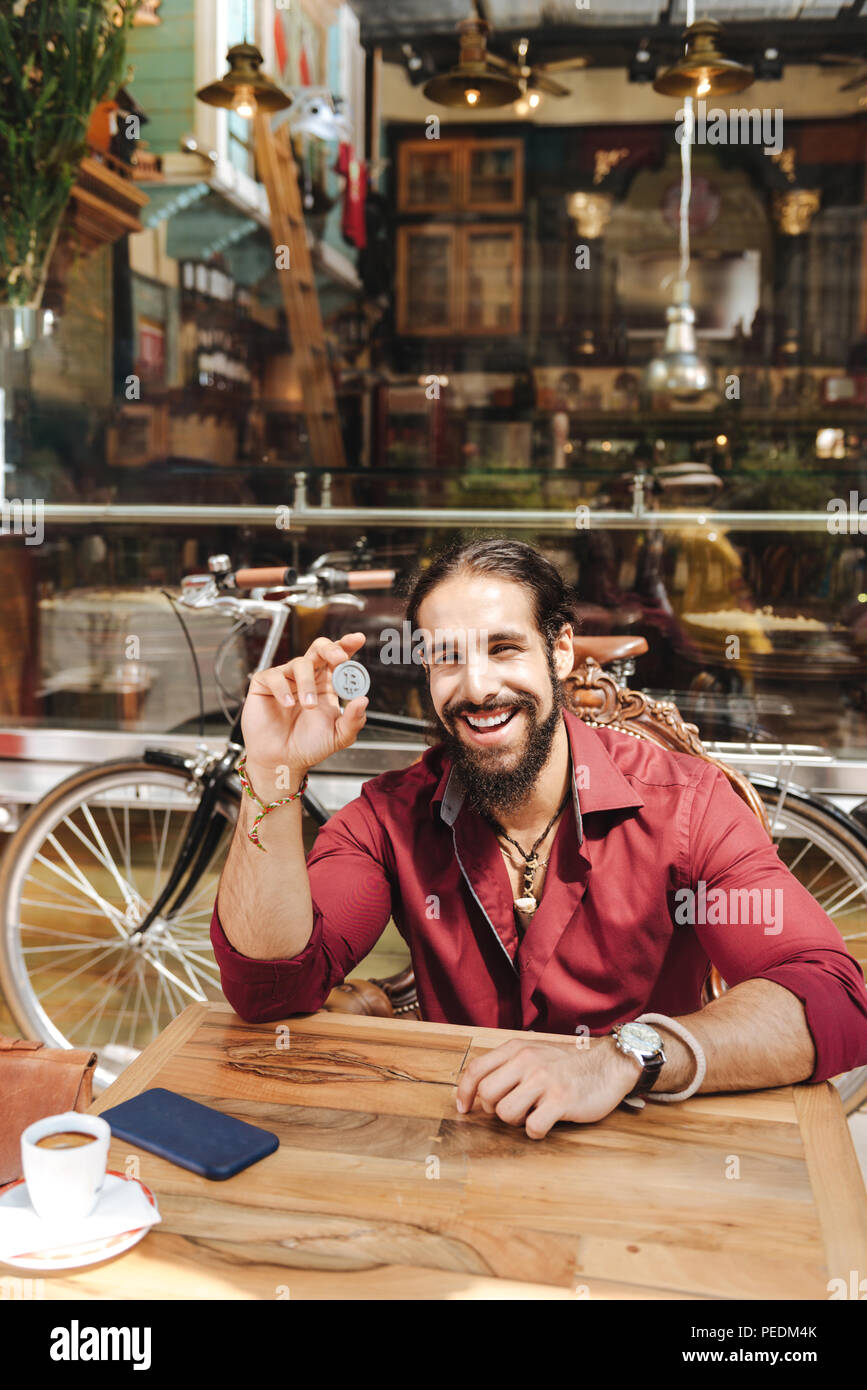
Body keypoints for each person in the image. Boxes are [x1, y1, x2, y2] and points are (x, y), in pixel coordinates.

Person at [210, 538, 867, 1139]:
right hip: (462, 1152)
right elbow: (270, 990)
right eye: (447, 660)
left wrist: (622, 1057)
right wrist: (272, 770)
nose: (477, 687)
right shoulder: (390, 816)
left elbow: (831, 998)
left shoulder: (685, 805)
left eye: (503, 648)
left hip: (651, 1158)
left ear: (557, 651)